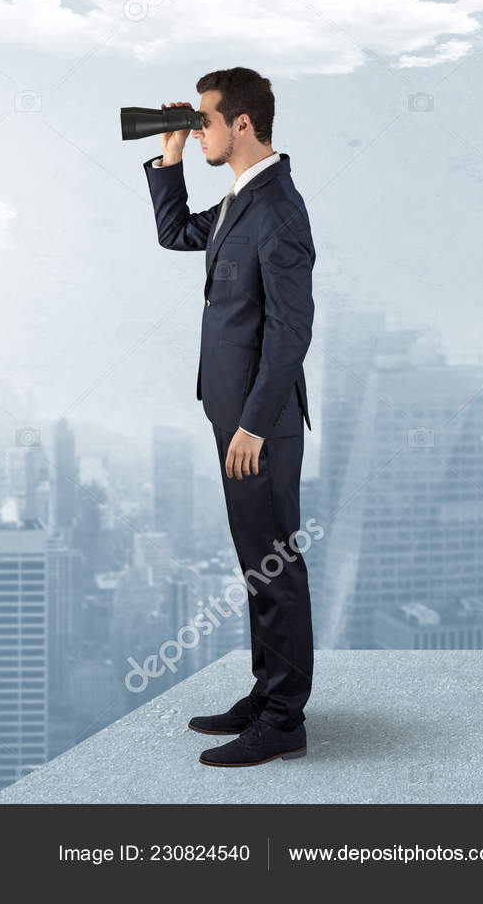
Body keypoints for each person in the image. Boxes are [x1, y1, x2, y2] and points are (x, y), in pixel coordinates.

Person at [143, 67, 316, 767]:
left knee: (274, 564)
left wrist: (252, 422)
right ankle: (266, 689)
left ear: (242, 123)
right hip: (235, 413)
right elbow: (175, 233)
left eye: (205, 121)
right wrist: (171, 155)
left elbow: (290, 330)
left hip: (256, 423)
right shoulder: (242, 198)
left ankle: (284, 718)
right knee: (257, 562)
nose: (200, 129)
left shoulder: (276, 208)